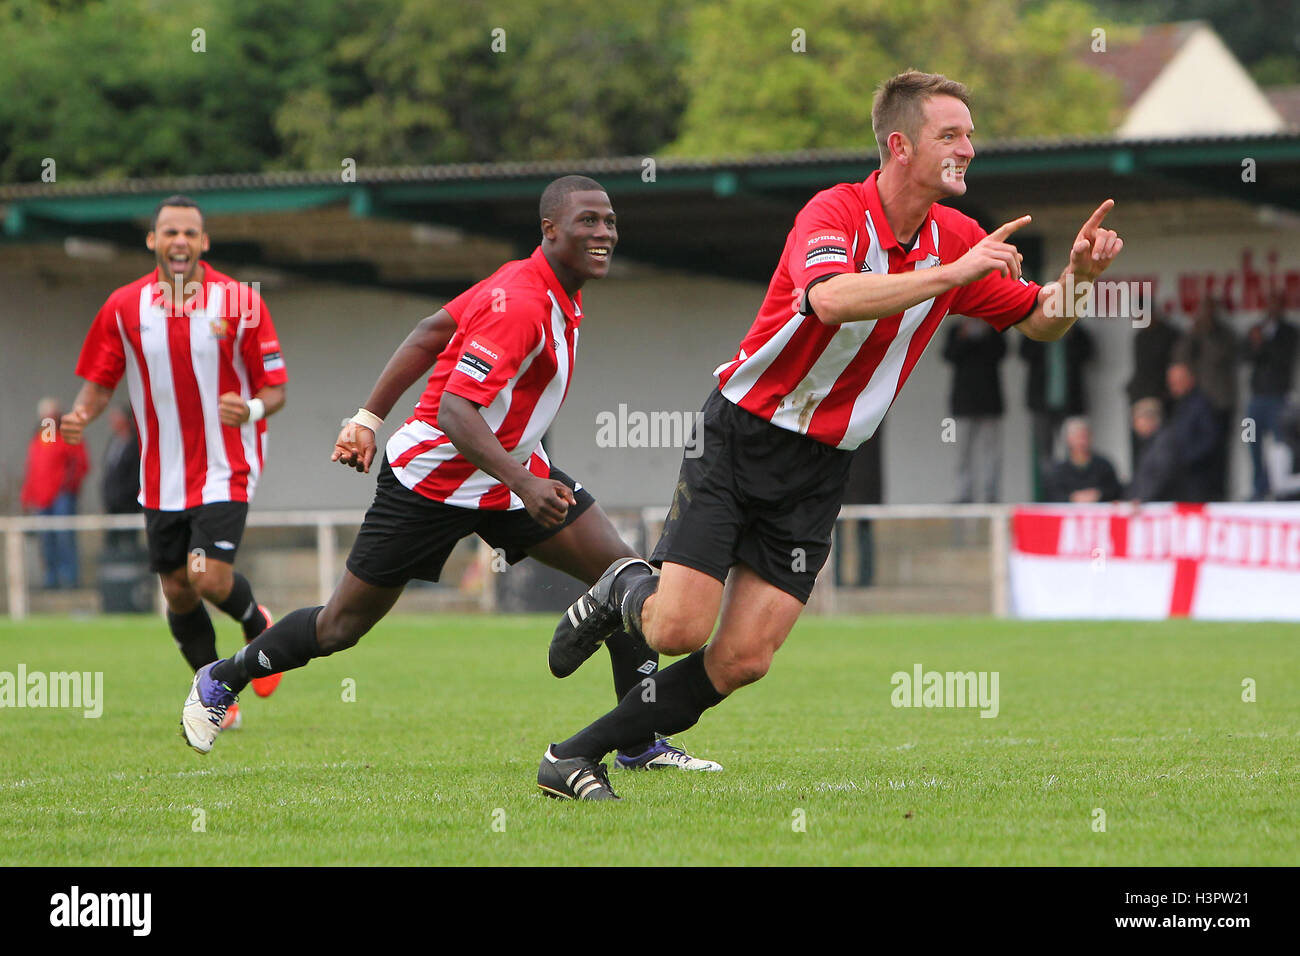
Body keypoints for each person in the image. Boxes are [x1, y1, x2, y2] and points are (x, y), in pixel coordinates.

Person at [541, 70, 1124, 800]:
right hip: (743, 433)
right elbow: (830, 299)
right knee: (677, 631)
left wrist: (1078, 277)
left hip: (821, 467)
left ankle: (572, 755)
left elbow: (1040, 321)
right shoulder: (835, 212)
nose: (969, 148)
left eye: (971, 134)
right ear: (901, 145)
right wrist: (951, 274)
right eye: (952, 135)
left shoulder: (954, 237)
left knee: (746, 656)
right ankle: (625, 584)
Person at [178, 175, 721, 781]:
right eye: (587, 222)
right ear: (550, 230)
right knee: (339, 628)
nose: (604, 233)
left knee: (625, 578)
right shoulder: (520, 300)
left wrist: (366, 418)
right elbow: (454, 411)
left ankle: (639, 741)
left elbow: (430, 331)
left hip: (508, 475)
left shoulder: (544, 287)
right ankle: (222, 676)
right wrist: (523, 481)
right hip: (430, 485)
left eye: (610, 222)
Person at [62, 195, 285, 730]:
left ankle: (257, 623)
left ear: (204, 242)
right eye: (169, 232)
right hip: (161, 476)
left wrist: (249, 407)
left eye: (189, 232)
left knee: (205, 576)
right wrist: (79, 414)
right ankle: (217, 693)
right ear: (153, 241)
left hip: (227, 461)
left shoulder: (239, 301)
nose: (179, 241)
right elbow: (100, 379)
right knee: (178, 589)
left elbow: (275, 387)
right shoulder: (123, 306)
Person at [21, 397, 90, 589]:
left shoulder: (69, 436)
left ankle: (69, 579)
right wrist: (27, 498)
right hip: (42, 499)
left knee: (65, 537)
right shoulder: (40, 441)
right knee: (46, 541)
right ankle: (51, 579)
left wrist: (67, 487)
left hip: (61, 497)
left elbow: (80, 464)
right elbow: (33, 470)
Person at [1019, 323, 1093, 497]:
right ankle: (1047, 493)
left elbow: (1088, 353)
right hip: (1042, 403)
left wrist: (1072, 335)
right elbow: (1024, 353)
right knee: (1045, 454)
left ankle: (1073, 492)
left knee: (1073, 449)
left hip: (1070, 403)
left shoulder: (1076, 331)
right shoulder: (1034, 329)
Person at [1173, 297, 1237, 499]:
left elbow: (1221, 355)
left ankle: (1220, 495)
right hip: (1198, 402)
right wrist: (1194, 332)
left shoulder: (1224, 333)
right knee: (1195, 453)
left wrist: (1206, 333)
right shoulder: (1193, 333)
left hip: (1220, 401)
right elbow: (1179, 355)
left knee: (1219, 452)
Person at [1129, 363, 1219, 502]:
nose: (1173, 385)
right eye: (1171, 382)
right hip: (1183, 480)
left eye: (1178, 381)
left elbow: (1209, 439)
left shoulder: (1201, 404)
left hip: (1196, 478)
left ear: (1190, 379)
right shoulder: (1178, 404)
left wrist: (1181, 460)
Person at [942, 314, 1006, 502]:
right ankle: (963, 493)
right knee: (961, 452)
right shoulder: (955, 330)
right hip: (962, 403)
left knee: (992, 452)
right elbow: (948, 355)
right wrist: (963, 337)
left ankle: (991, 494)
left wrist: (987, 334)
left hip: (990, 402)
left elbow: (1002, 353)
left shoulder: (995, 327)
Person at [1242, 291, 1299, 499]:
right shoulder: (1257, 329)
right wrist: (1256, 342)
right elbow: (1246, 356)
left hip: (1278, 398)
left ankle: (1278, 488)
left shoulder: (1289, 331)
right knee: (1251, 441)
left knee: (1281, 445)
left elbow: (1281, 358)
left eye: (1277, 304)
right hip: (1256, 399)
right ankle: (1259, 487)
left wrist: (1263, 341)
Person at [1124, 302, 1178, 469]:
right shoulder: (1139, 337)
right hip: (1140, 397)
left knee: (1159, 446)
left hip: (1160, 399)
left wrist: (1163, 395)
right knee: (1138, 446)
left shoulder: (1169, 335)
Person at [1042, 417, 1121, 503]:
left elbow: (1115, 491)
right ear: (1068, 440)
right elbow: (1053, 497)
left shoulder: (1104, 465)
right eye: (1077, 437)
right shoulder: (1058, 471)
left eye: (1084, 437)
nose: (1081, 442)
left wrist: (1099, 494)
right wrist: (1072, 498)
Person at [101, 405, 142, 554]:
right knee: (112, 541)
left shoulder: (135, 443)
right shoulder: (113, 442)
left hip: (128, 502)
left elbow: (135, 474)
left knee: (129, 542)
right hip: (112, 502)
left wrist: (126, 495)